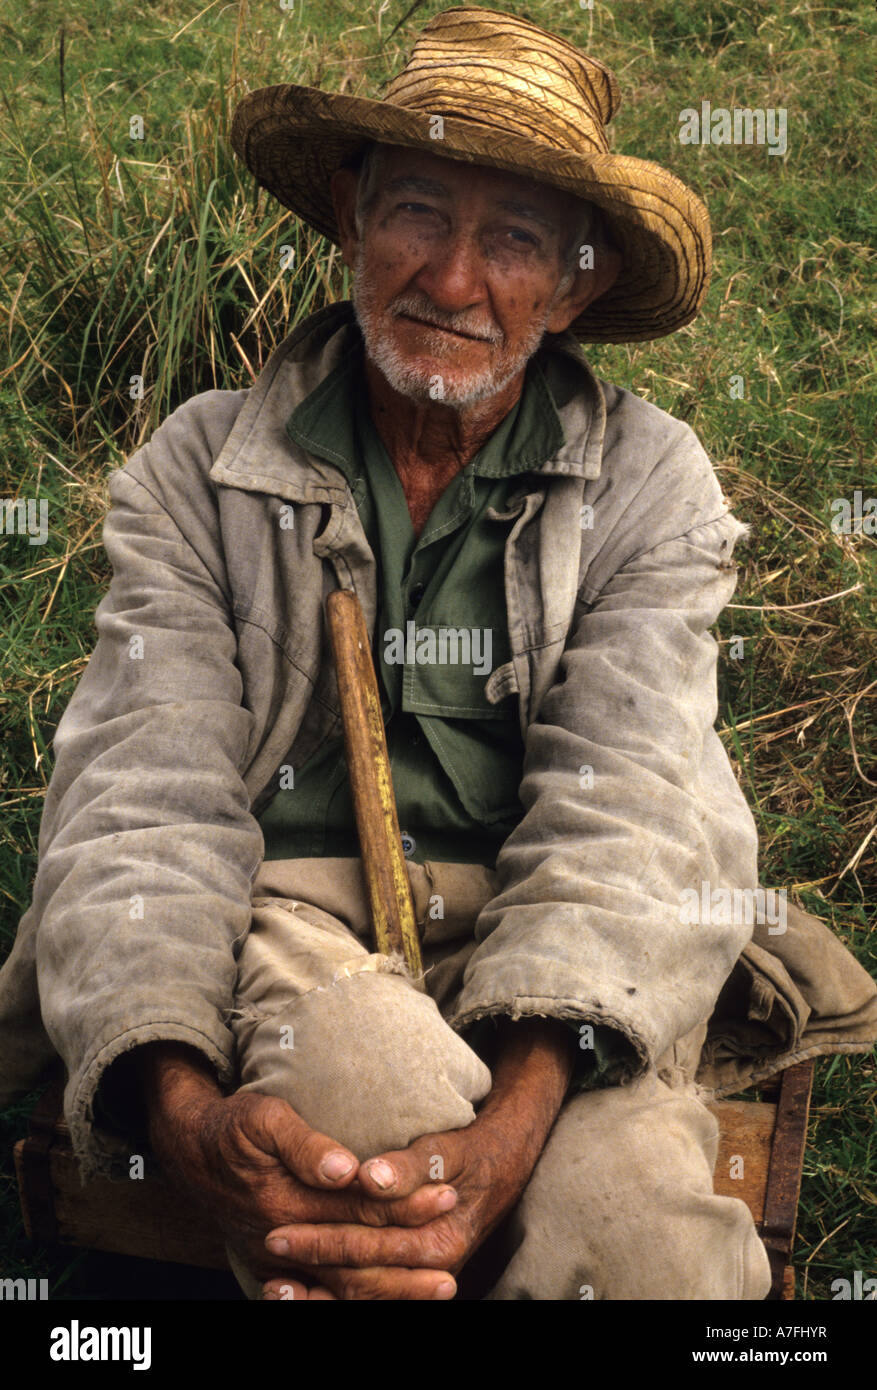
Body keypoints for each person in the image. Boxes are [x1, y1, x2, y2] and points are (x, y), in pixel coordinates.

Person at [1, 7, 875, 1301]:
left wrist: (514, 1131)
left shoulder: (646, 481)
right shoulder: (202, 466)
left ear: (576, 278)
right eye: (417, 211)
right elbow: (146, 802)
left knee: (633, 1229)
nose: (451, 281)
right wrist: (183, 1116)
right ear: (352, 215)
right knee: (368, 1100)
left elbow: (625, 809)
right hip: (287, 915)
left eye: (513, 237)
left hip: (567, 938)